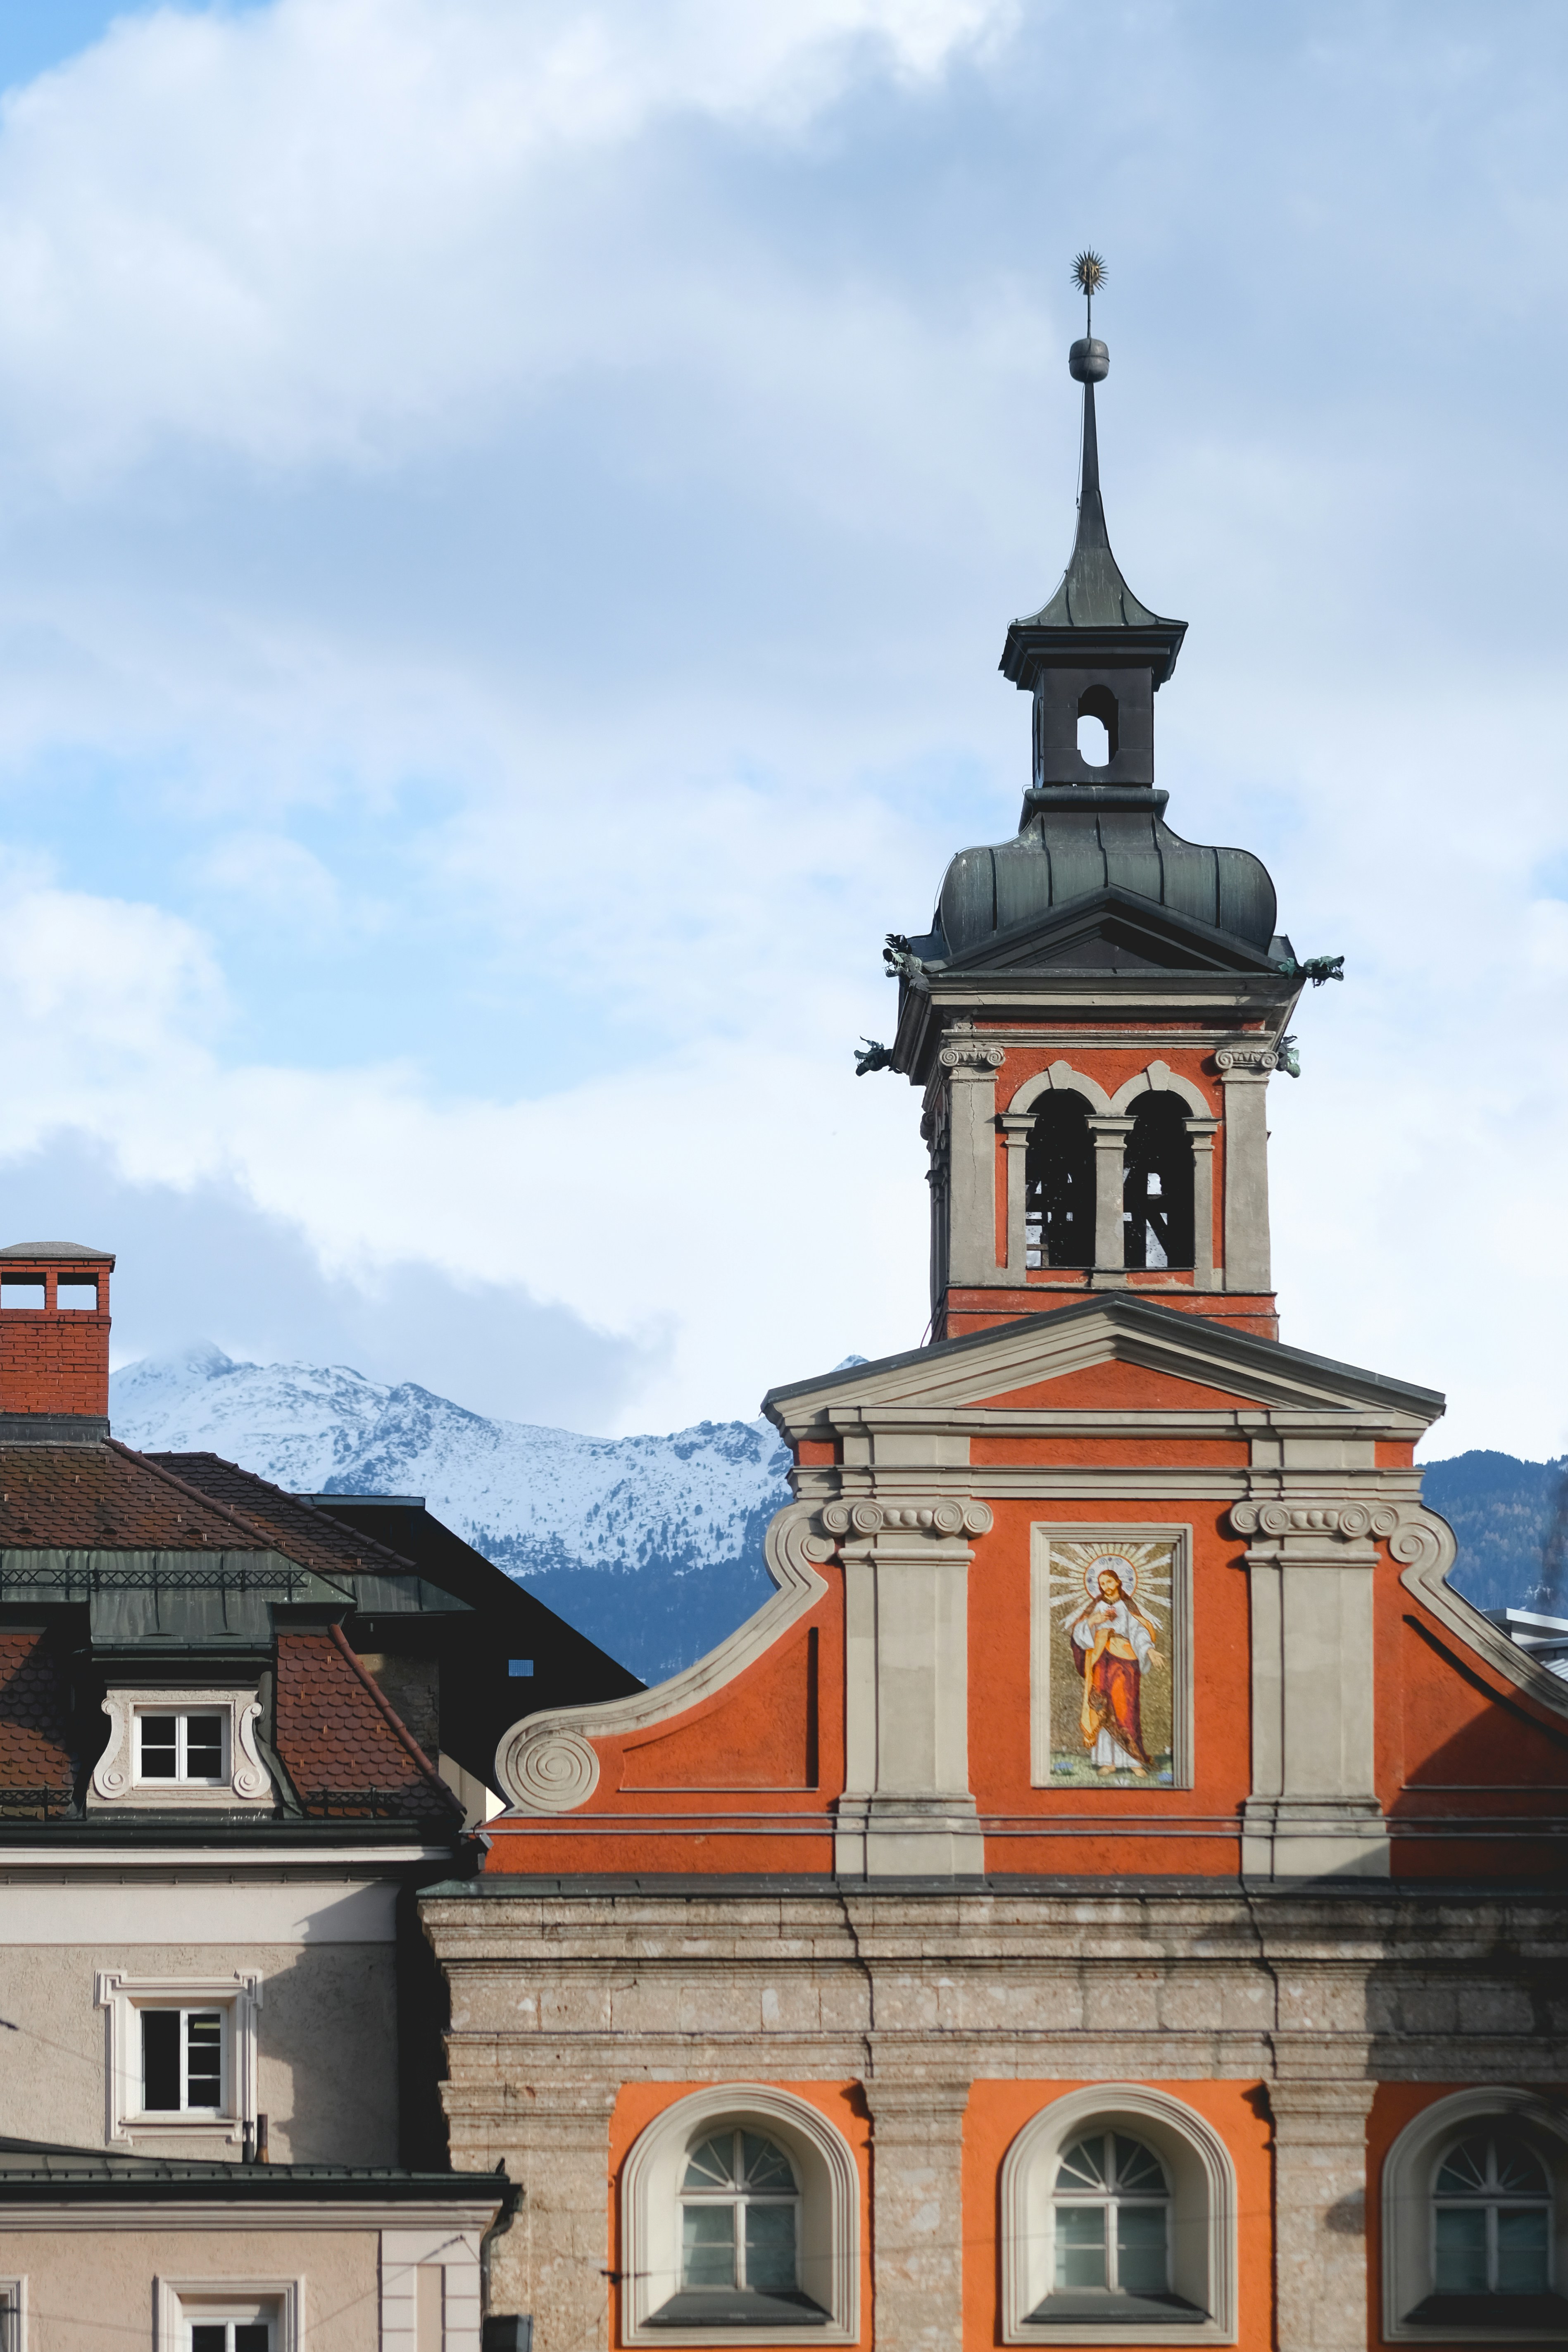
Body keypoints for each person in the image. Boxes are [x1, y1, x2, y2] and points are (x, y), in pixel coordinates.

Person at [1071, 1564, 1163, 1775]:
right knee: (1102, 1707)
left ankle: (1134, 1761)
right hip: (1102, 1661)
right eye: (1102, 1583)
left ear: (1119, 1582)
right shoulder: (1096, 1607)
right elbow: (1079, 1633)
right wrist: (1094, 1621)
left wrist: (1149, 1651)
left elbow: (1139, 1631)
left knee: (1126, 1708)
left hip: (1125, 1662)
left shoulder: (1126, 1607)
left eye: (1109, 1582)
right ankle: (1108, 1761)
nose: (1106, 1586)